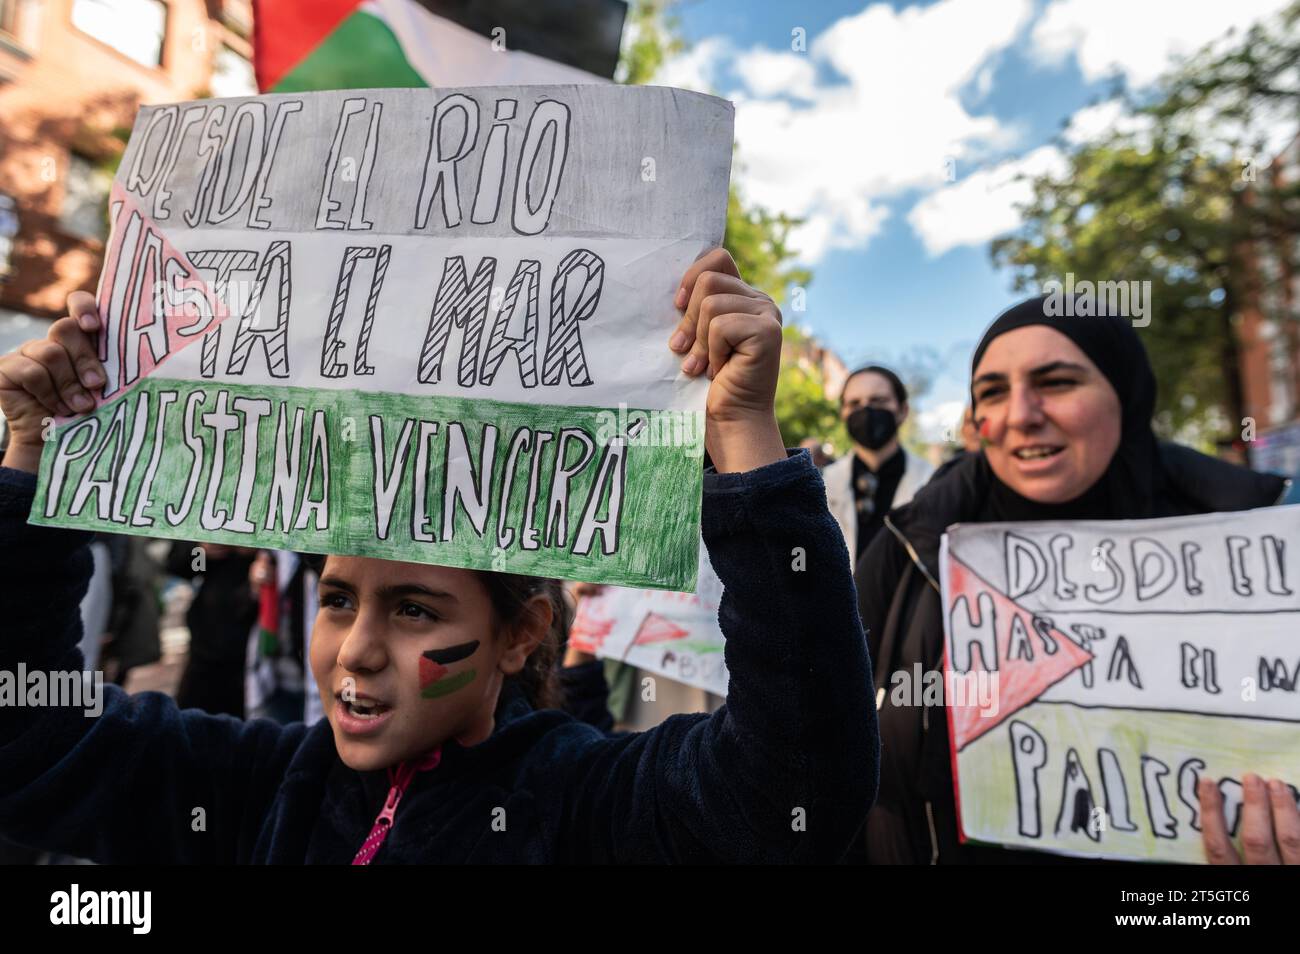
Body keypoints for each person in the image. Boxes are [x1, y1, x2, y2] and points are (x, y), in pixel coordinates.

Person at [0, 249, 878, 864]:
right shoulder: (261, 786)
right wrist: (32, 461)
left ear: (519, 633)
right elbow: (25, 740)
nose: (355, 650)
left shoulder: (582, 804)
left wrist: (743, 435)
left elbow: (794, 795)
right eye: (340, 598)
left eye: (415, 609)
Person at [855, 295, 1290, 865]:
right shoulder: (912, 545)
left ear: (1126, 395)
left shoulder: (1264, 547)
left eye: (1056, 382)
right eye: (991, 392)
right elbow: (814, 710)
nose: (1020, 414)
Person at [824, 364, 934, 566]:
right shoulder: (823, 483)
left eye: (878, 401)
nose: (866, 410)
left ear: (903, 411)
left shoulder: (932, 482)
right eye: (854, 403)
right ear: (843, 413)